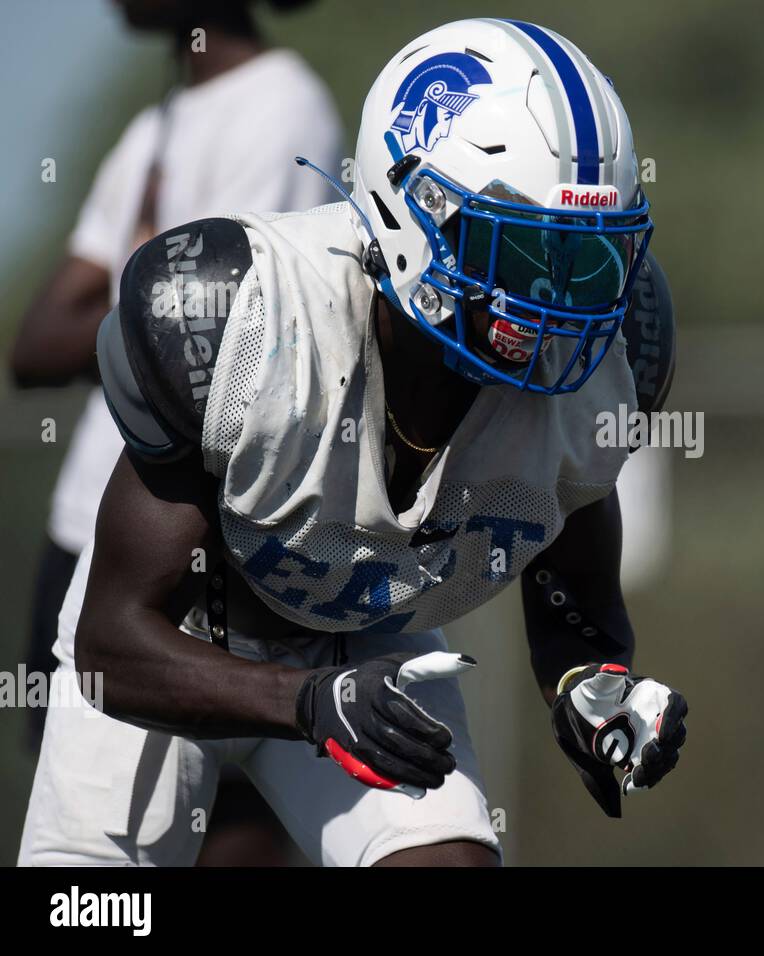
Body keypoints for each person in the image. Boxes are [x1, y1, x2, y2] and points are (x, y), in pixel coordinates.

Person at [18, 17, 686, 868]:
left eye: (583, 258)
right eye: (521, 249)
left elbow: (575, 609)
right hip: (183, 638)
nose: (558, 303)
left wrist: (594, 690)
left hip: (363, 644)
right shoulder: (242, 317)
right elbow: (113, 643)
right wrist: (304, 702)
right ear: (412, 217)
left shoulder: (608, 366)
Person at [10, 0, 340, 864]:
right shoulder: (157, 123)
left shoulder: (283, 107)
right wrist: (146, 293)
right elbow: (36, 343)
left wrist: (135, 286)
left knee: (230, 835)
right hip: (88, 530)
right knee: (95, 850)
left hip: (200, 547)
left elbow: (220, 333)